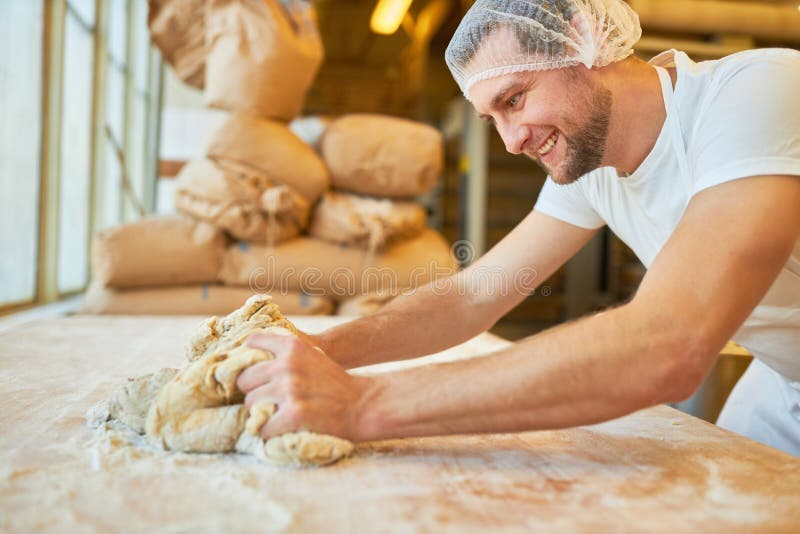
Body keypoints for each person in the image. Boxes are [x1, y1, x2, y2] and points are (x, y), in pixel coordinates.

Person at [237, 0, 800, 456]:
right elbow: (470, 296)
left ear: (586, 39)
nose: (510, 141)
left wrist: (361, 405)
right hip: (784, 386)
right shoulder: (592, 169)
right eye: (493, 118)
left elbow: (669, 343)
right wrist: (321, 350)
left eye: (515, 99)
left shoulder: (755, 92)